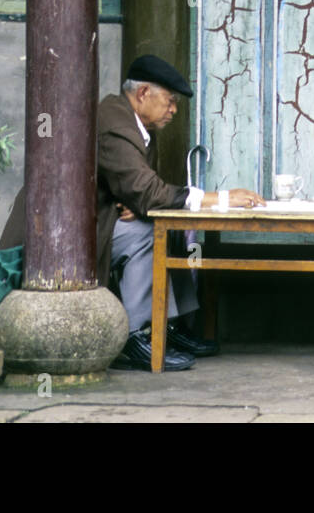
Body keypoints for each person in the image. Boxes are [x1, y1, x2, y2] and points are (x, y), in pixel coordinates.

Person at [99, 55, 265, 371]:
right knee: (147, 233)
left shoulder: (135, 123)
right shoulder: (115, 122)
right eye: (170, 101)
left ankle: (171, 327)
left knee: (169, 224)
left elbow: (142, 193)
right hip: (83, 229)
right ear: (143, 93)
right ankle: (137, 335)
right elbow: (148, 193)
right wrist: (222, 198)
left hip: (108, 218)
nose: (173, 110)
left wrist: (140, 203)